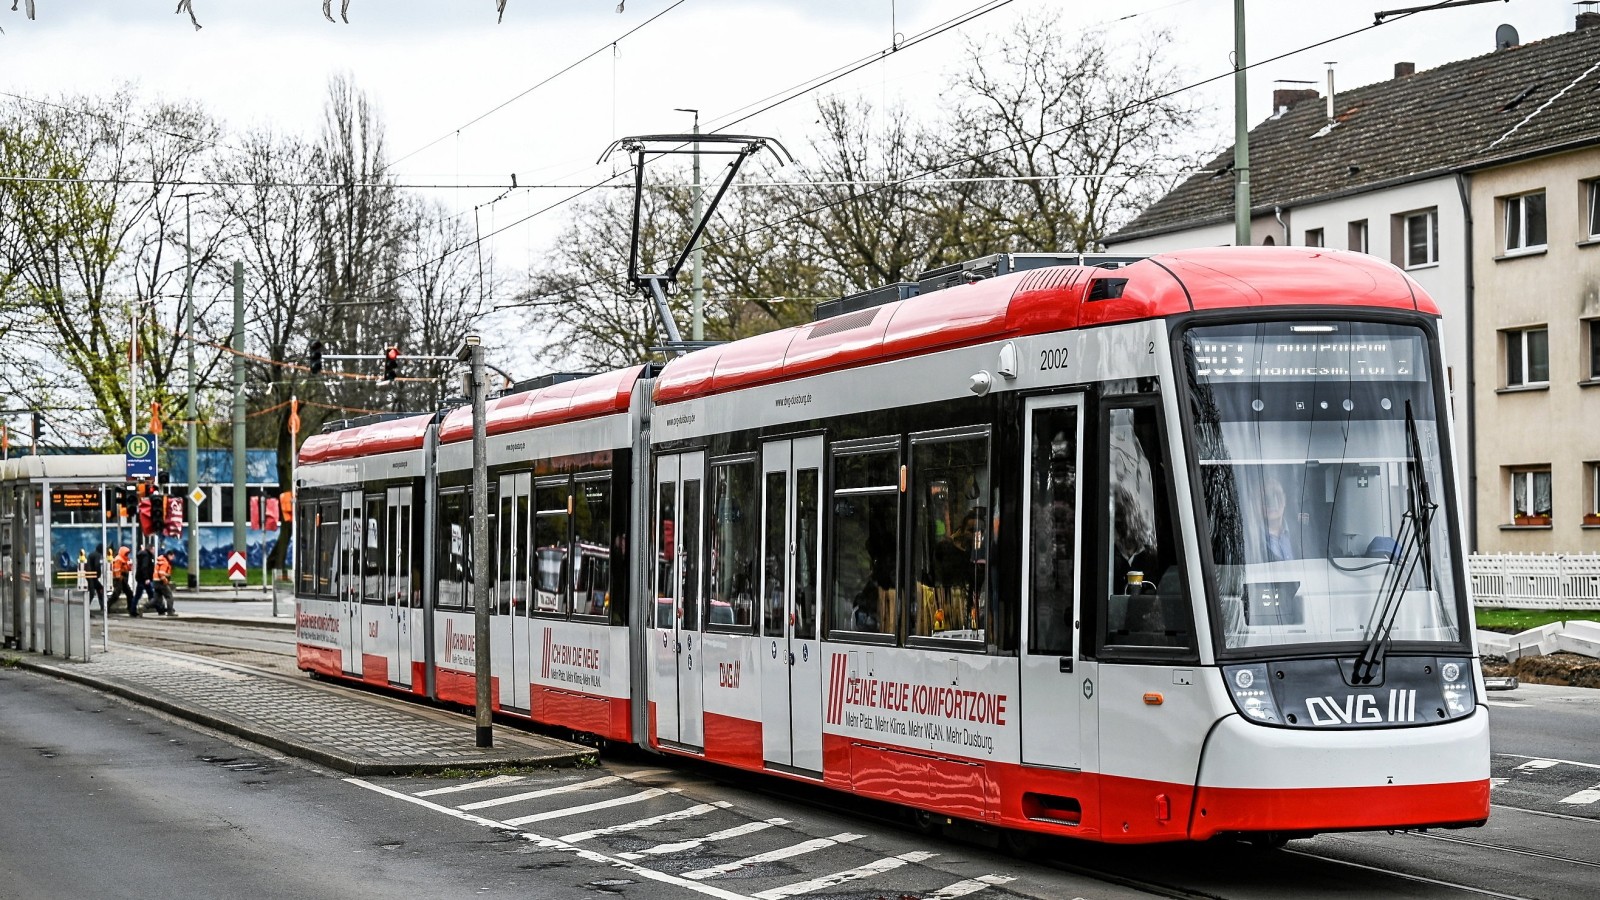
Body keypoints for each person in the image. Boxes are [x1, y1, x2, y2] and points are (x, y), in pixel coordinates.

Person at [1260, 476, 1295, 562]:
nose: (1272, 502)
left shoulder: (1302, 535)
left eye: (1277, 495)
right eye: (1266, 498)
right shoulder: (1250, 541)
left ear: (1284, 499)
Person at [132, 545, 161, 615]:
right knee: (148, 594)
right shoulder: (146, 556)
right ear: (150, 549)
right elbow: (144, 567)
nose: (154, 551)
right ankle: (159, 608)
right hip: (144, 579)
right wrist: (146, 578)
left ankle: (159, 608)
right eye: (153, 549)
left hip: (142, 578)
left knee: (150, 594)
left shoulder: (145, 555)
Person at [110, 545, 137, 616]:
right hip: (118, 579)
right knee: (116, 594)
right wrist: (119, 577)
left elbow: (127, 568)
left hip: (122, 578)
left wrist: (129, 566)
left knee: (129, 593)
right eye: (126, 553)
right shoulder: (118, 559)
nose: (127, 555)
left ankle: (130, 609)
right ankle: (107, 606)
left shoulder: (124, 559)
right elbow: (116, 569)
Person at [153, 551, 177, 616]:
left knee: (156, 599)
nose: (173, 558)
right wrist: (165, 580)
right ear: (169, 555)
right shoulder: (165, 562)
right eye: (172, 556)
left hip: (156, 581)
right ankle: (170, 611)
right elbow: (161, 573)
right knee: (169, 596)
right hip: (161, 582)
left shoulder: (161, 561)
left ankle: (144, 607)